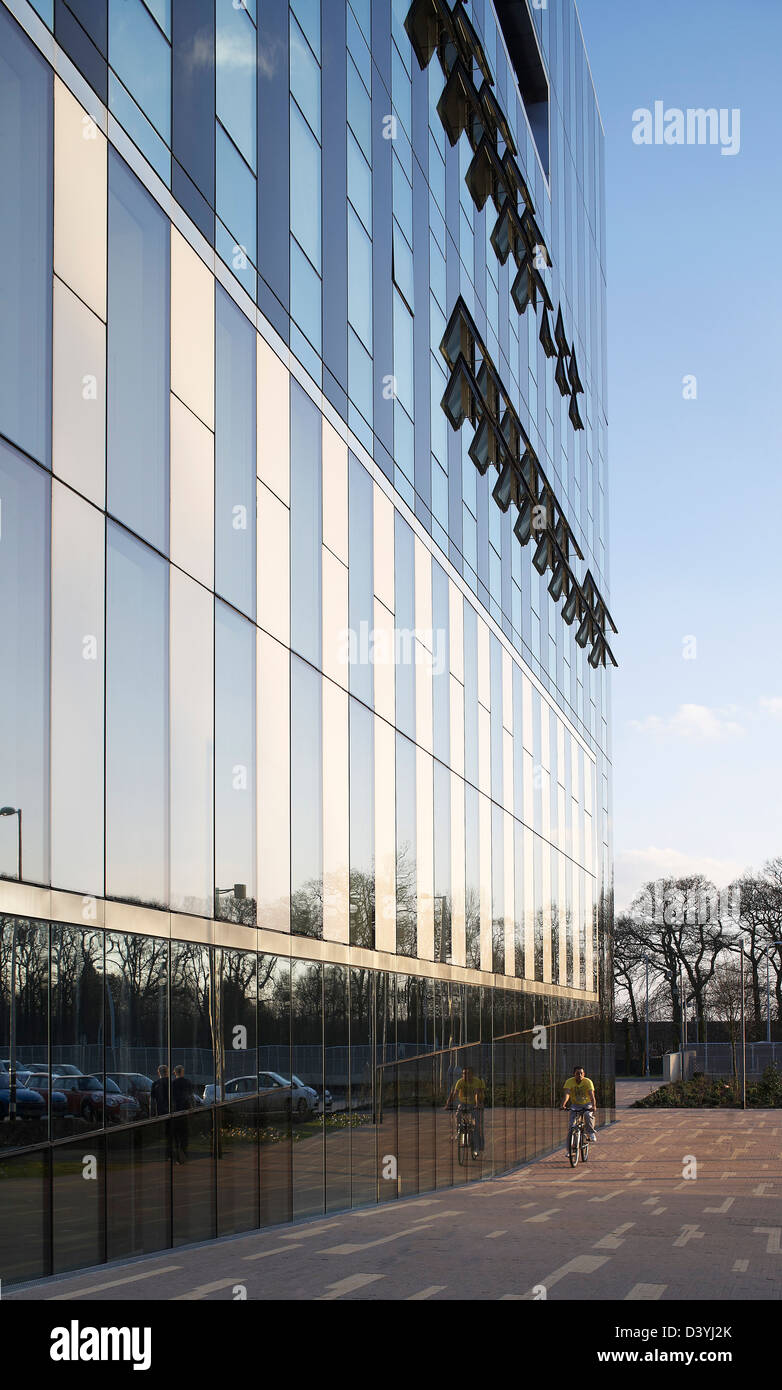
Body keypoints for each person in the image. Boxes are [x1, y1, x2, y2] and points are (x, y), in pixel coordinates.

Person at [444, 1065, 486, 1152]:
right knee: (457, 1114)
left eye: (467, 1074)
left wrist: (478, 1105)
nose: (465, 1076)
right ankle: (458, 1132)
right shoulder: (460, 1082)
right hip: (463, 1103)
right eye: (463, 1074)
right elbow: (454, 1093)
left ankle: (477, 1147)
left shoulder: (476, 1081)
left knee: (476, 1125)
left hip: (475, 1103)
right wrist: (448, 1104)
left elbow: (476, 1094)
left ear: (472, 1074)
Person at [561, 1065, 598, 1144]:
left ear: (584, 1074)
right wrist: (563, 1104)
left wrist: (594, 1106)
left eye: (581, 1073)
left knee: (588, 1115)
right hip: (575, 1105)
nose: (580, 1075)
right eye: (578, 1073)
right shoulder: (569, 1081)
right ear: (574, 1074)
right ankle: (570, 1150)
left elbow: (592, 1096)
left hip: (587, 1104)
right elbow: (567, 1094)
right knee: (571, 1127)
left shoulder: (588, 1082)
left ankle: (591, 1133)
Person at [171, 1065, 196, 1164]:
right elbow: (191, 1096)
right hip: (185, 1111)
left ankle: (178, 1152)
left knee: (176, 1133)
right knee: (184, 1133)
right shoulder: (188, 1082)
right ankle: (184, 1150)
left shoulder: (173, 1083)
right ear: (182, 1072)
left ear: (175, 1073)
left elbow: (171, 1098)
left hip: (176, 1111)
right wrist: (192, 1109)